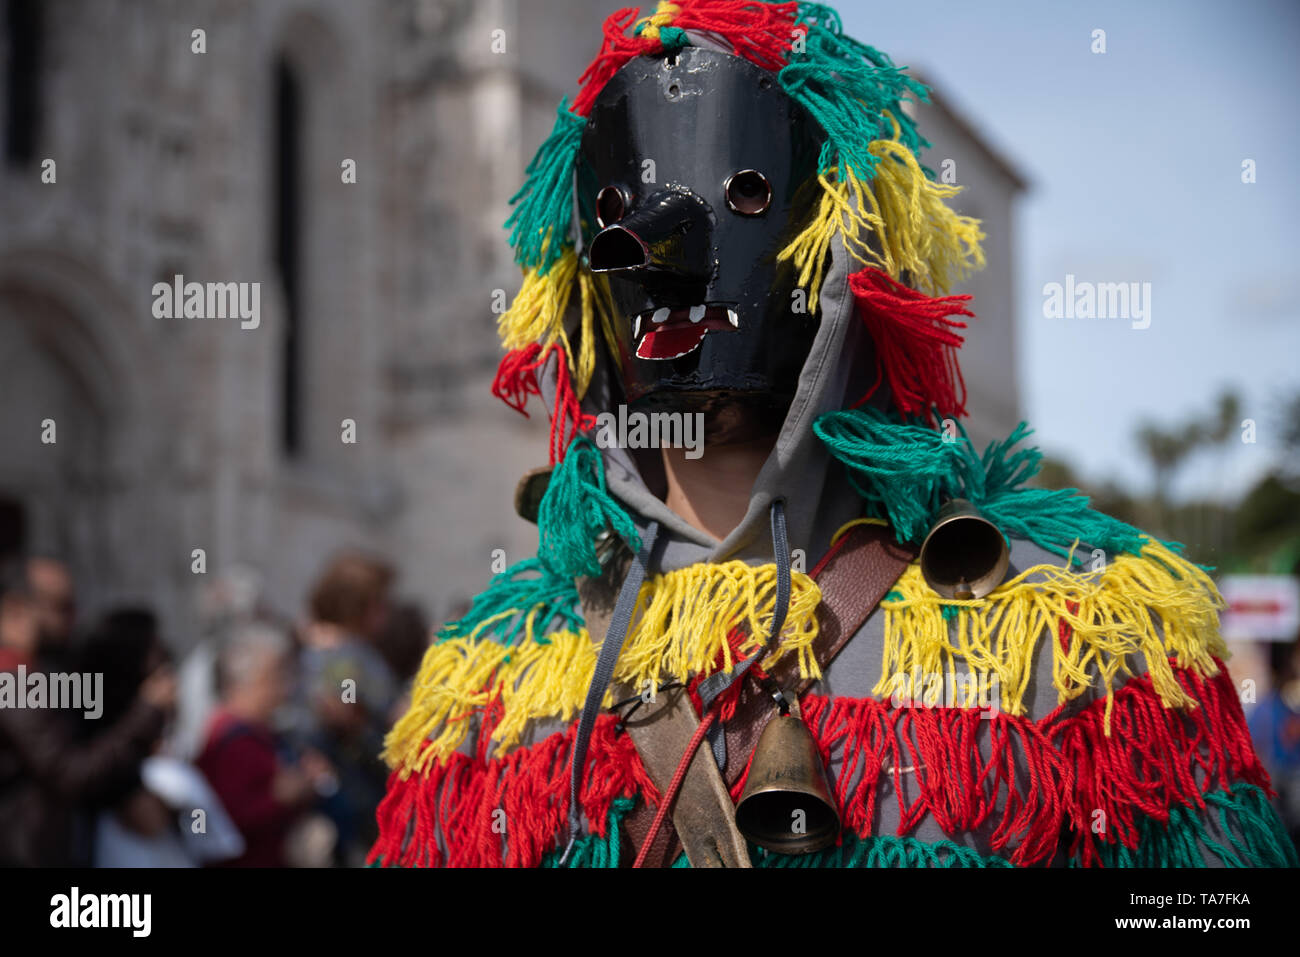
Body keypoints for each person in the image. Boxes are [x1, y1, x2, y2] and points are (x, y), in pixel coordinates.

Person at [369, 1, 1295, 868]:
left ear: (855, 256)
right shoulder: (487, 678)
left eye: (746, 194)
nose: (656, 258)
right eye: (613, 222)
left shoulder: (1085, 631)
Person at [0, 560, 176, 866]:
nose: (72, 618)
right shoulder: (12, 680)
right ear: (15, 609)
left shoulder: (39, 673)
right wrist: (146, 712)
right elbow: (70, 773)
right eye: (60, 607)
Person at [196, 621, 333, 867]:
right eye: (276, 677)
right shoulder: (232, 740)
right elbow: (223, 821)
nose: (285, 688)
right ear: (247, 680)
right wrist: (281, 798)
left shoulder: (260, 732)